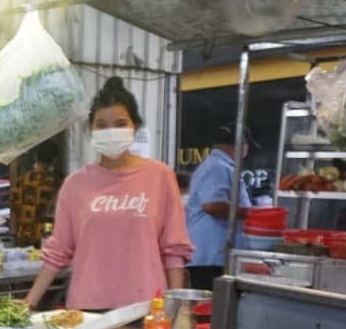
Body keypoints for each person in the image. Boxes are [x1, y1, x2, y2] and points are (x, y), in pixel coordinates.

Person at [24, 77, 192, 310]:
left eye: (121, 123)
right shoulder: (75, 185)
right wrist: (28, 303)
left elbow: (174, 250)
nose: (111, 131)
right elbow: (58, 251)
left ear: (135, 127)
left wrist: (179, 309)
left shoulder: (160, 176)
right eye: (102, 125)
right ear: (91, 130)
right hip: (87, 309)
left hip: (148, 308)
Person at [185, 125, 252, 291]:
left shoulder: (221, 166)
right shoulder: (217, 167)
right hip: (211, 258)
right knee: (212, 310)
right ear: (241, 145)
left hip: (215, 257)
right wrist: (253, 214)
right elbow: (213, 206)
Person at [11, 143, 60, 248]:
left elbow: (13, 206)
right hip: (45, 237)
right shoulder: (55, 183)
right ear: (54, 160)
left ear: (35, 157)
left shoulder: (22, 180)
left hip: (24, 236)